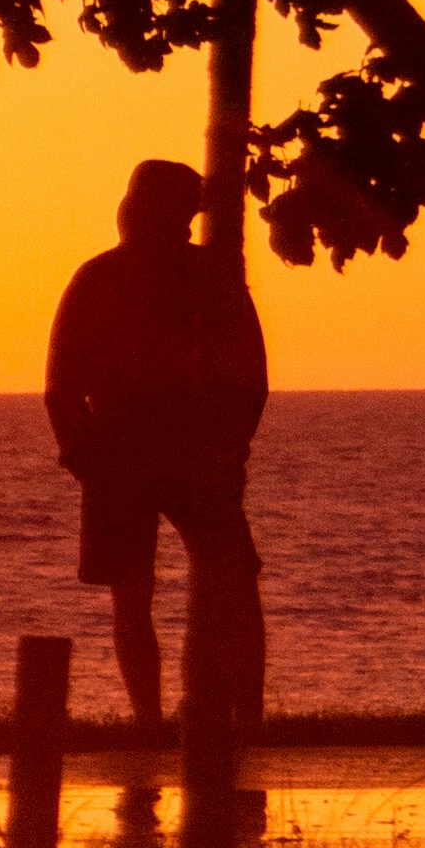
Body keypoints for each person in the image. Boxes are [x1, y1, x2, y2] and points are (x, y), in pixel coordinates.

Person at [44, 157, 267, 731]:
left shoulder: (198, 277)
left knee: (222, 581)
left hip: (176, 452)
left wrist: (231, 447)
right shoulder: (105, 278)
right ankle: (161, 718)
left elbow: (249, 376)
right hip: (131, 453)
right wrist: (84, 457)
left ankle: (235, 716)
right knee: (145, 592)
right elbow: (61, 386)